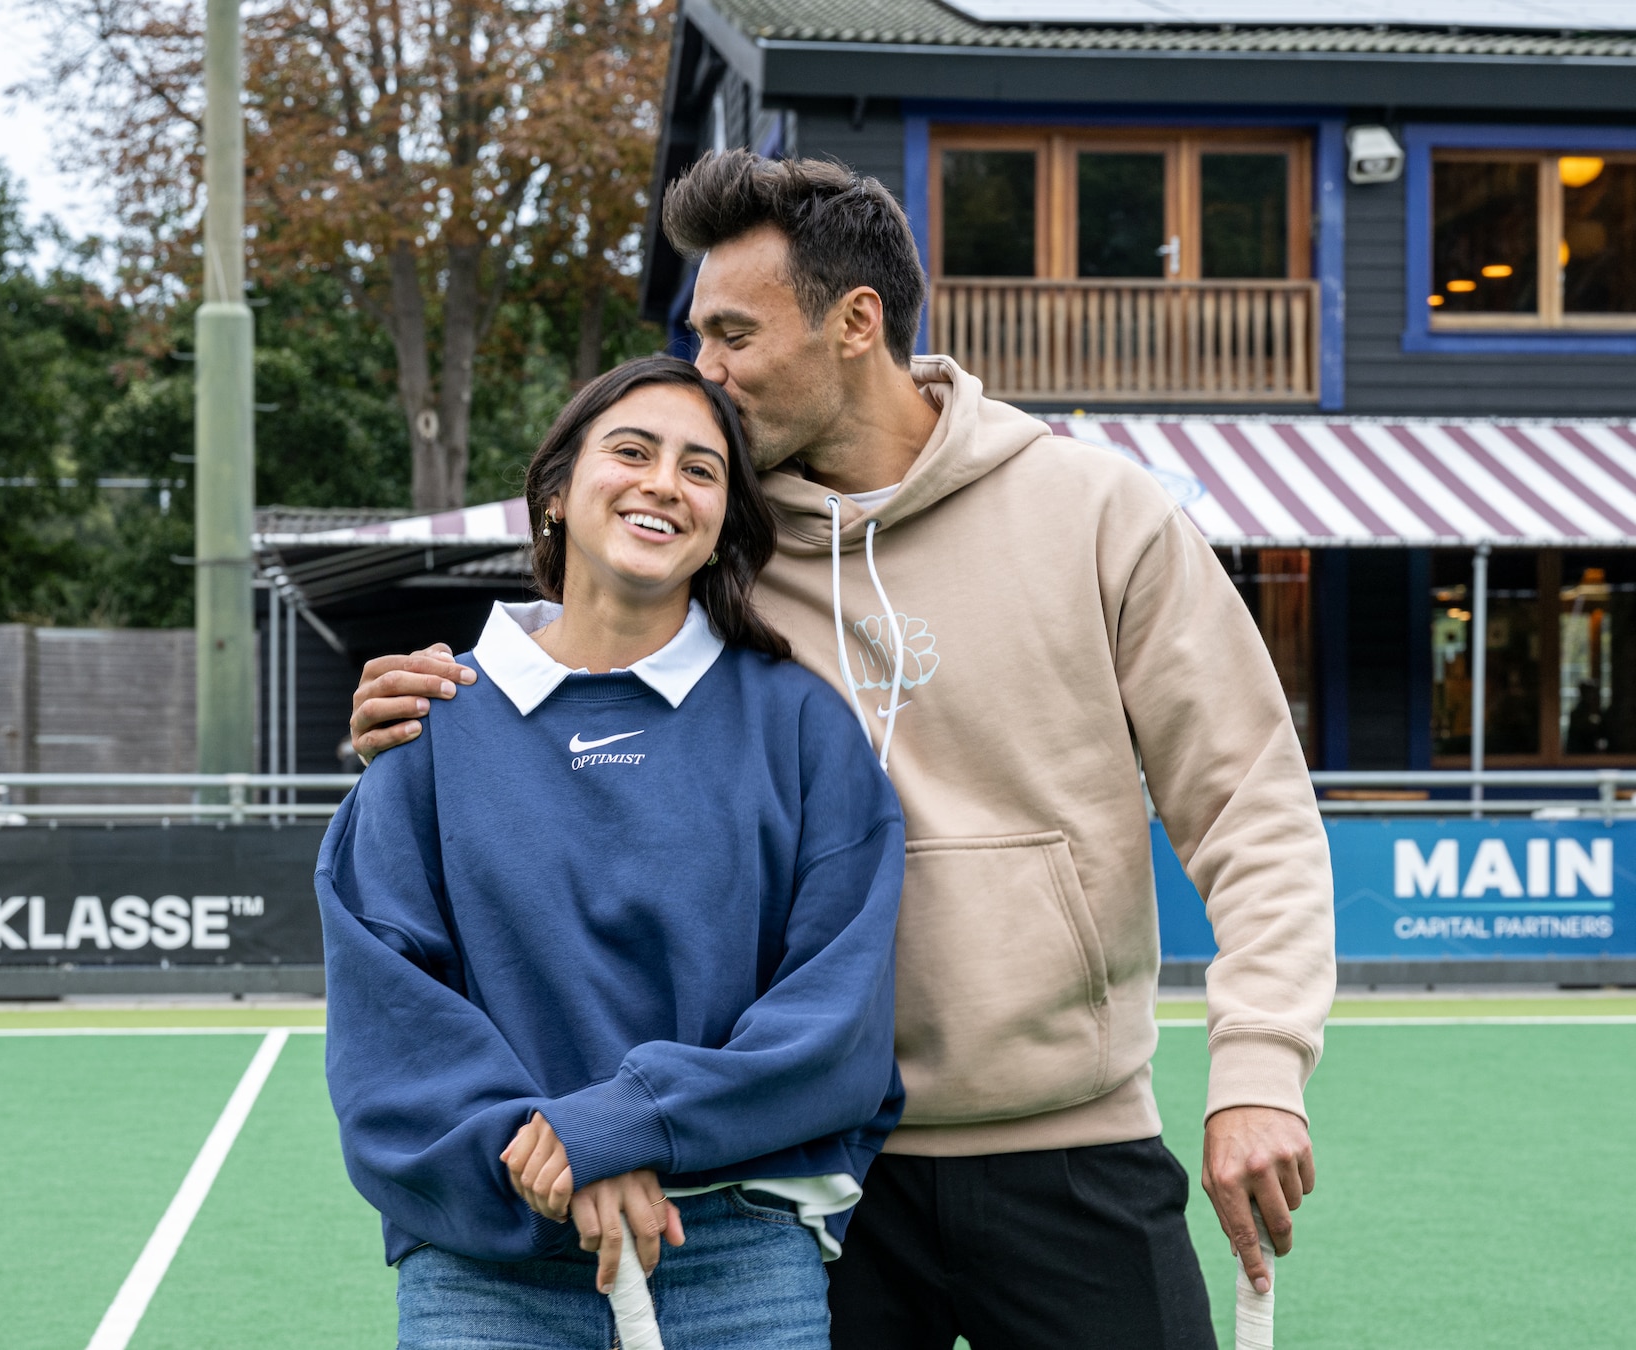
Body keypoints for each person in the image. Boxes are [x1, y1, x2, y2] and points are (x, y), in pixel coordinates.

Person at [346, 153, 1336, 1349]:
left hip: (1070, 1141)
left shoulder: (1098, 512)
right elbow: (576, 673)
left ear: (855, 322)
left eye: (731, 334)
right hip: (807, 1182)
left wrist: (1260, 1067)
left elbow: (1252, 806)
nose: (702, 372)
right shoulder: (721, 548)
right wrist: (425, 718)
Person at [316, 355, 906, 1350]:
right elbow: (390, 1025)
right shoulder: (430, 726)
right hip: (486, 1269)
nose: (663, 483)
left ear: (724, 521)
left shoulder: (801, 725)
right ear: (553, 494)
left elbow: (837, 1019)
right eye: (631, 451)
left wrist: (630, 1122)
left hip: (737, 1255)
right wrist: (550, 1154)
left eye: (701, 469)